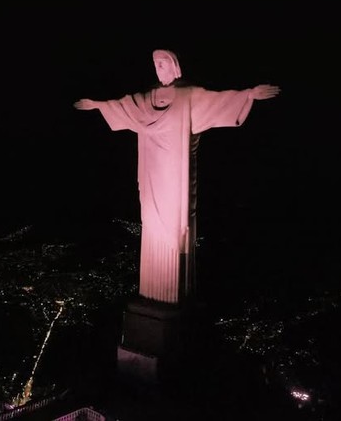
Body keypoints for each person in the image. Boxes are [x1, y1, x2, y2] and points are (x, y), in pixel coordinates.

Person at [74, 49, 280, 304]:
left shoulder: (188, 96)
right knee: (150, 222)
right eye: (156, 65)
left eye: (163, 64)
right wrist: (97, 105)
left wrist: (249, 95)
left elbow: (219, 102)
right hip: (152, 174)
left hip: (176, 175)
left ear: (175, 66)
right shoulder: (146, 97)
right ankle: (153, 294)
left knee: (176, 226)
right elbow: (123, 106)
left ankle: (174, 294)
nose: (159, 69)